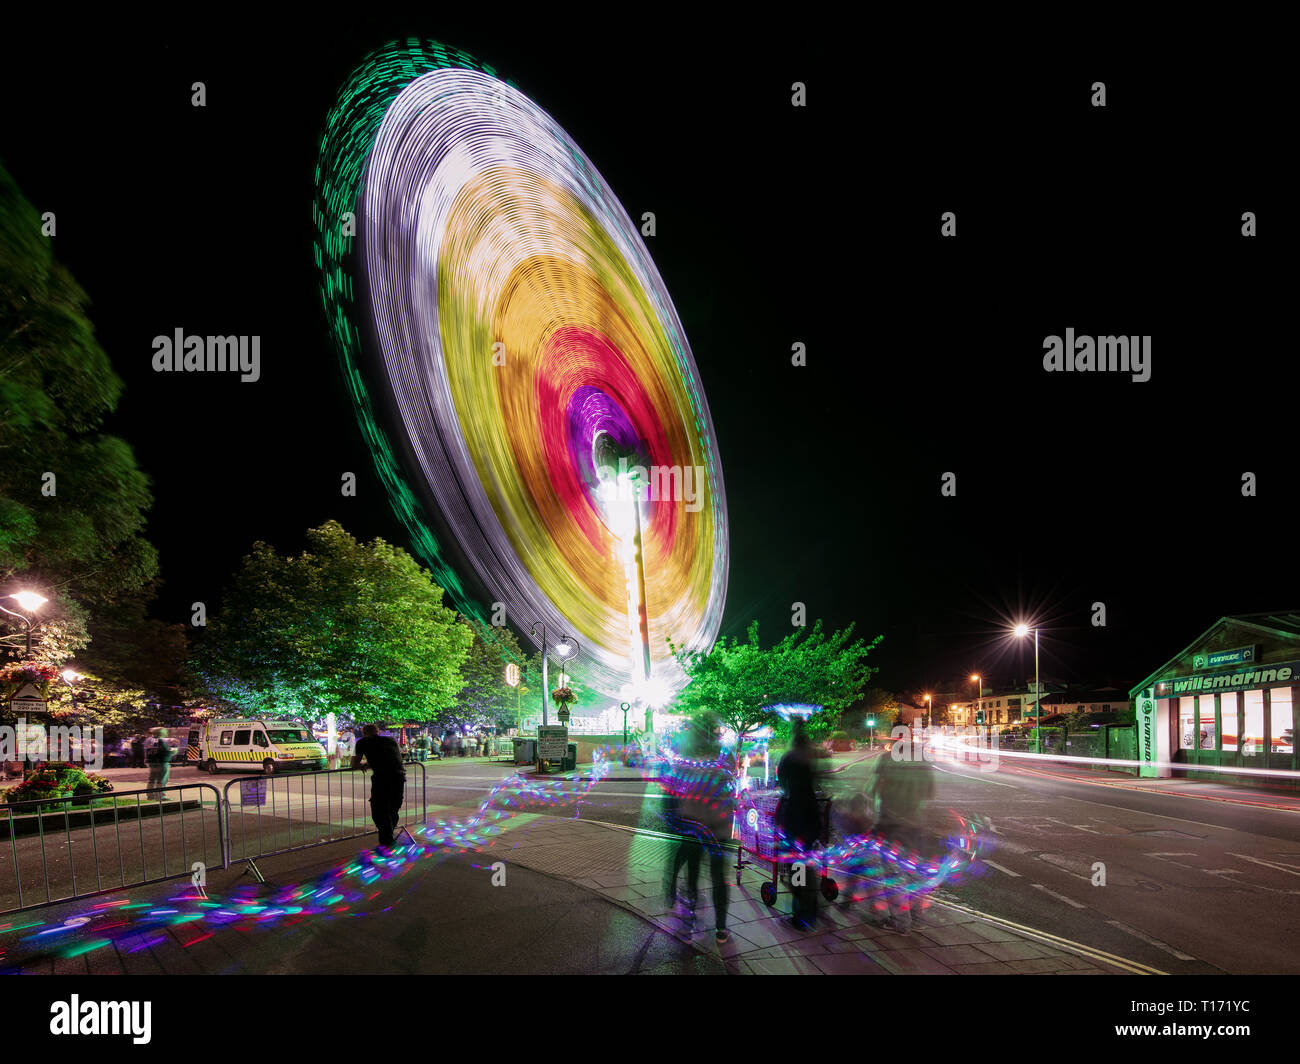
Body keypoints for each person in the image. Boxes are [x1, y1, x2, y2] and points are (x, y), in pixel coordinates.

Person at [663, 725, 735, 945]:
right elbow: (731, 791)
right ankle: (721, 928)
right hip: (718, 829)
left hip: (694, 826)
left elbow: (673, 790)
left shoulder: (687, 762)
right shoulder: (724, 759)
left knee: (693, 870)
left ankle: (692, 911)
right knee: (718, 877)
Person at [869, 736, 936, 935]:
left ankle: (900, 922)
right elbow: (929, 792)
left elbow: (872, 790)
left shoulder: (886, 760)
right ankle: (918, 918)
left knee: (894, 874)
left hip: (890, 824)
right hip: (915, 824)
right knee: (915, 872)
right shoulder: (922, 762)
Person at [777, 721, 826, 930]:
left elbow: (782, 783)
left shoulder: (789, 758)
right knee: (807, 862)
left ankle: (801, 915)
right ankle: (812, 909)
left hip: (795, 814)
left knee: (795, 864)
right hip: (812, 813)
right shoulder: (813, 755)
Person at [352, 724, 407, 850]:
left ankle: (387, 842)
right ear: (378, 731)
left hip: (382, 779)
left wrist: (365, 764)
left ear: (364, 733)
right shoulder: (390, 741)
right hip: (399, 777)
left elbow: (354, 763)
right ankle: (388, 840)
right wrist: (371, 762)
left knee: (379, 810)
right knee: (393, 809)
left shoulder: (363, 742)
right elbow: (390, 758)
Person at [147, 729, 173, 799]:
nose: (166, 733)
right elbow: (165, 751)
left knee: (152, 780)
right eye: (165, 732)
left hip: (153, 762)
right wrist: (172, 751)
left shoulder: (150, 740)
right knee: (161, 780)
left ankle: (150, 795)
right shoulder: (161, 741)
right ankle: (160, 796)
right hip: (162, 763)